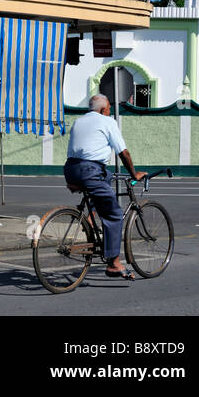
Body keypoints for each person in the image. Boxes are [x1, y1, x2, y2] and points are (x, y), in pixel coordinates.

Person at [65, 94, 147, 280]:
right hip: (90, 171)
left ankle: (92, 215)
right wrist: (134, 174)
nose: (109, 111)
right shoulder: (107, 122)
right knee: (114, 214)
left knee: (106, 177)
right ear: (103, 110)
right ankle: (114, 263)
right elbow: (123, 152)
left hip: (71, 169)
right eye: (109, 108)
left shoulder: (78, 121)